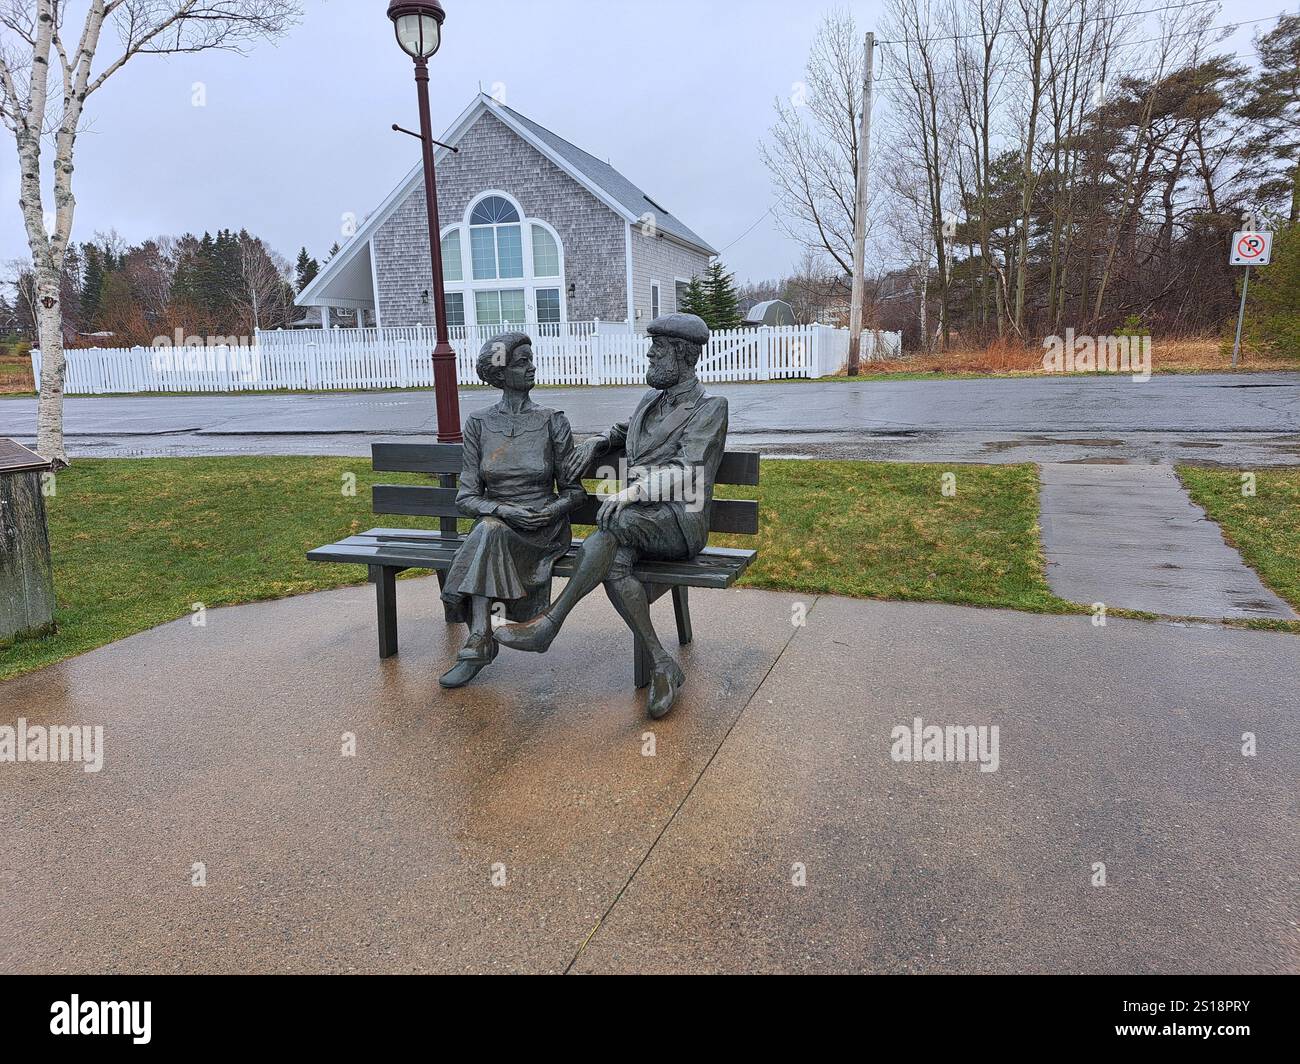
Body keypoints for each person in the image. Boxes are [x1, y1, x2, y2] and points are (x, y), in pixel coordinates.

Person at [494, 313, 728, 719]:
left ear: (682, 355)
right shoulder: (650, 400)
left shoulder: (710, 408)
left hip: (679, 520)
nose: (650, 356)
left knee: (611, 523)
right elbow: (623, 432)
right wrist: (597, 443)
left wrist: (633, 491)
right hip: (636, 523)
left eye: (658, 351)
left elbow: (689, 470)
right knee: (612, 555)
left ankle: (548, 625)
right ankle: (662, 663)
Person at [438, 332, 586, 689]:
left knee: (487, 530)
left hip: (543, 529)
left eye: (531, 360)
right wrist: (505, 511)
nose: (532, 367)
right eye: (522, 362)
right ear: (500, 373)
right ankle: (480, 637)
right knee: (489, 528)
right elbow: (466, 497)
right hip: (500, 524)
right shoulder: (479, 424)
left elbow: (575, 492)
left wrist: (551, 512)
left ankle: (479, 641)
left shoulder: (552, 420)